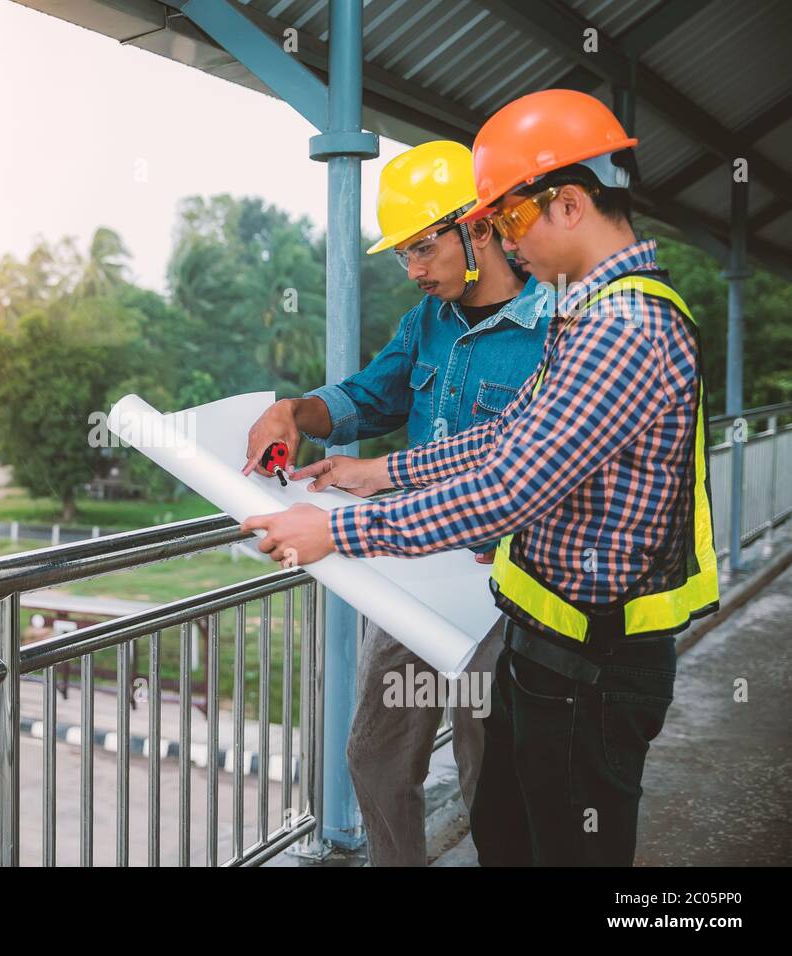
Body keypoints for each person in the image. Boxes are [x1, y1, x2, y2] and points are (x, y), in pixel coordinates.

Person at [242, 90, 718, 866]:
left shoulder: (621, 329)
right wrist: (379, 468)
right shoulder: (588, 315)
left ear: (568, 204)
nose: (505, 238)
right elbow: (503, 437)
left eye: (509, 218)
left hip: (591, 652)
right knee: (507, 825)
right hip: (551, 638)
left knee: (553, 836)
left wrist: (333, 529)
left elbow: (508, 488)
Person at [242, 140, 551, 865]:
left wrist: (379, 476)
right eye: (402, 257)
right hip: (413, 570)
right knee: (376, 759)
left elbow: (523, 471)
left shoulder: (557, 331)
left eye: (421, 249)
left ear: (476, 228)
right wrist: (294, 410)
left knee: (490, 777)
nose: (412, 271)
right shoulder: (427, 323)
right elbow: (366, 397)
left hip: (506, 596)